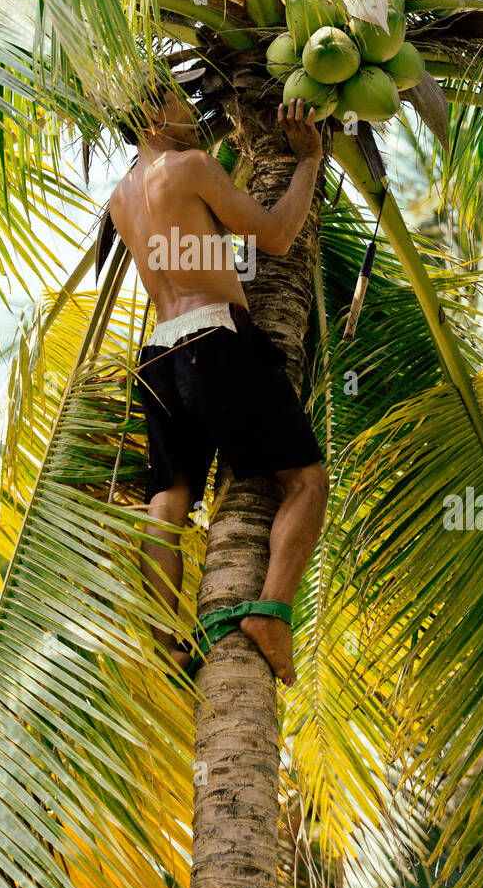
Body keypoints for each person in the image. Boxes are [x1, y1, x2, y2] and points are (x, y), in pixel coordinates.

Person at [108, 82, 329, 686]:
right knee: (307, 482)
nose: (193, 113)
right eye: (181, 103)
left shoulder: (122, 197)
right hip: (214, 344)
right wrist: (307, 159)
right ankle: (272, 613)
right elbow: (278, 234)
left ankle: (164, 640)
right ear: (153, 114)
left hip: (159, 356)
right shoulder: (193, 166)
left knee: (168, 503)